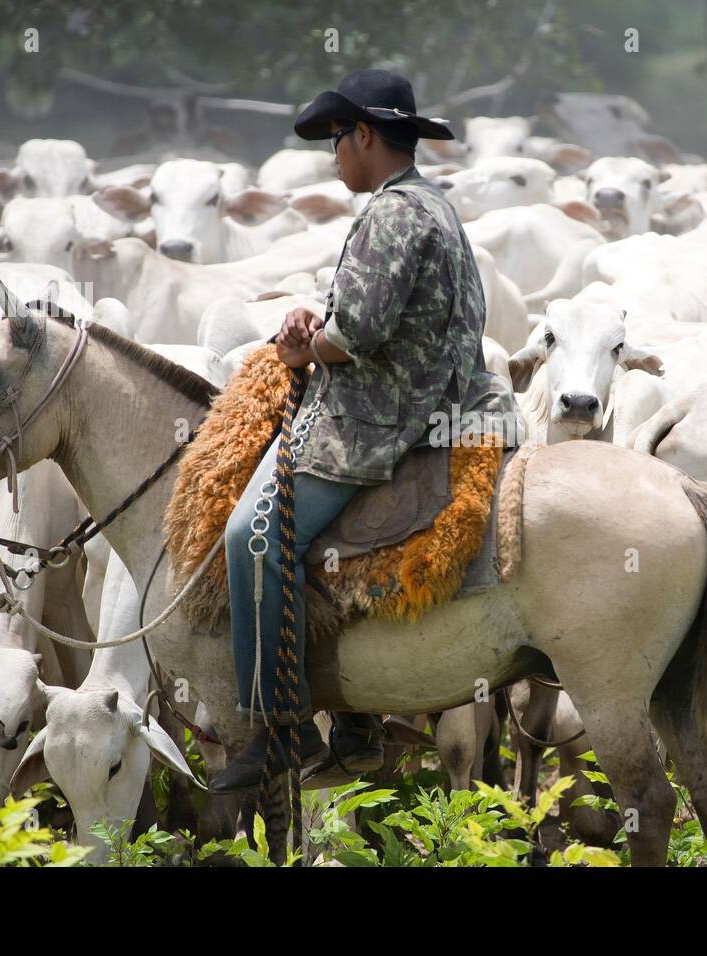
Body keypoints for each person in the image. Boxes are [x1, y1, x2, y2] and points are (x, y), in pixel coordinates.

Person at [210, 69, 520, 793]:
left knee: (252, 537)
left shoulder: (390, 214)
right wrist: (316, 324)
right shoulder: (434, 206)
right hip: (435, 402)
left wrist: (305, 348)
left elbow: (362, 332)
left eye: (337, 141)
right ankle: (353, 723)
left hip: (378, 420)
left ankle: (277, 725)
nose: (333, 157)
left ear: (366, 136)